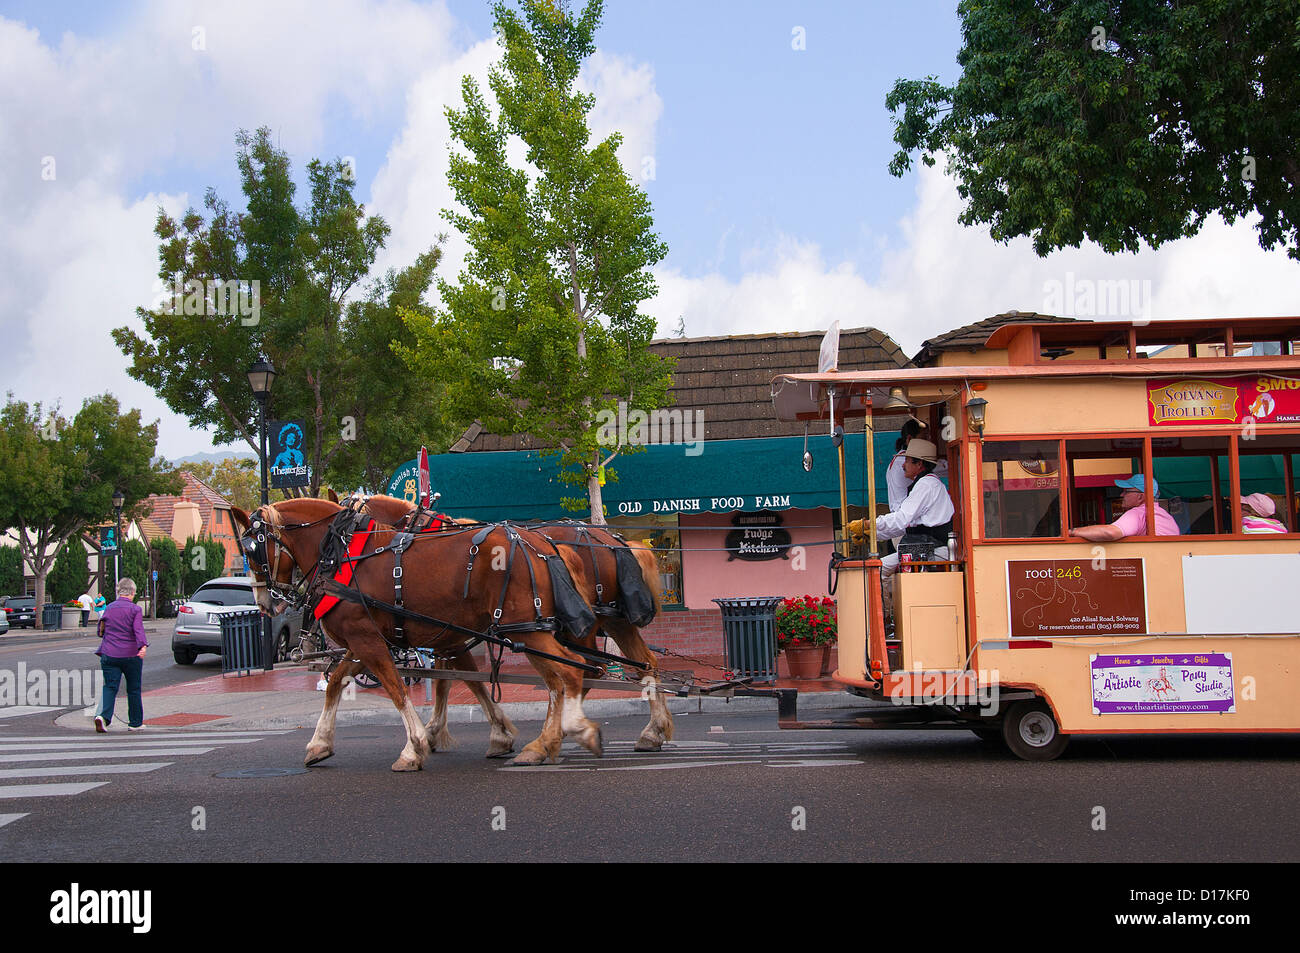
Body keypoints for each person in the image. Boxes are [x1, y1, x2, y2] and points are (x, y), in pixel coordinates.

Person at [874, 438, 954, 622]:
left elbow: (902, 518)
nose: (904, 465)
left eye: (908, 461)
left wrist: (872, 525)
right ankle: (889, 618)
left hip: (934, 550)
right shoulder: (924, 484)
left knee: (879, 570)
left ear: (919, 464)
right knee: (879, 569)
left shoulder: (926, 485)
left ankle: (888, 619)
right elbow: (906, 525)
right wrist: (873, 533)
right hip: (923, 546)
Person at [94, 577, 148, 733]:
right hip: (131, 654)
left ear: (118, 592)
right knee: (133, 688)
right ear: (132, 592)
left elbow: (100, 630)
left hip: (109, 653)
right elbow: (138, 630)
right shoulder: (135, 609)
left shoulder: (109, 607)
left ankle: (102, 716)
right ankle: (135, 723)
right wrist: (142, 646)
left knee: (110, 687)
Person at [1069, 475, 1179, 540]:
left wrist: (1072, 532)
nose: (1121, 495)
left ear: (1141, 497)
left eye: (1126, 491)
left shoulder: (1138, 513)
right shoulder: (1166, 516)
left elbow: (1110, 533)